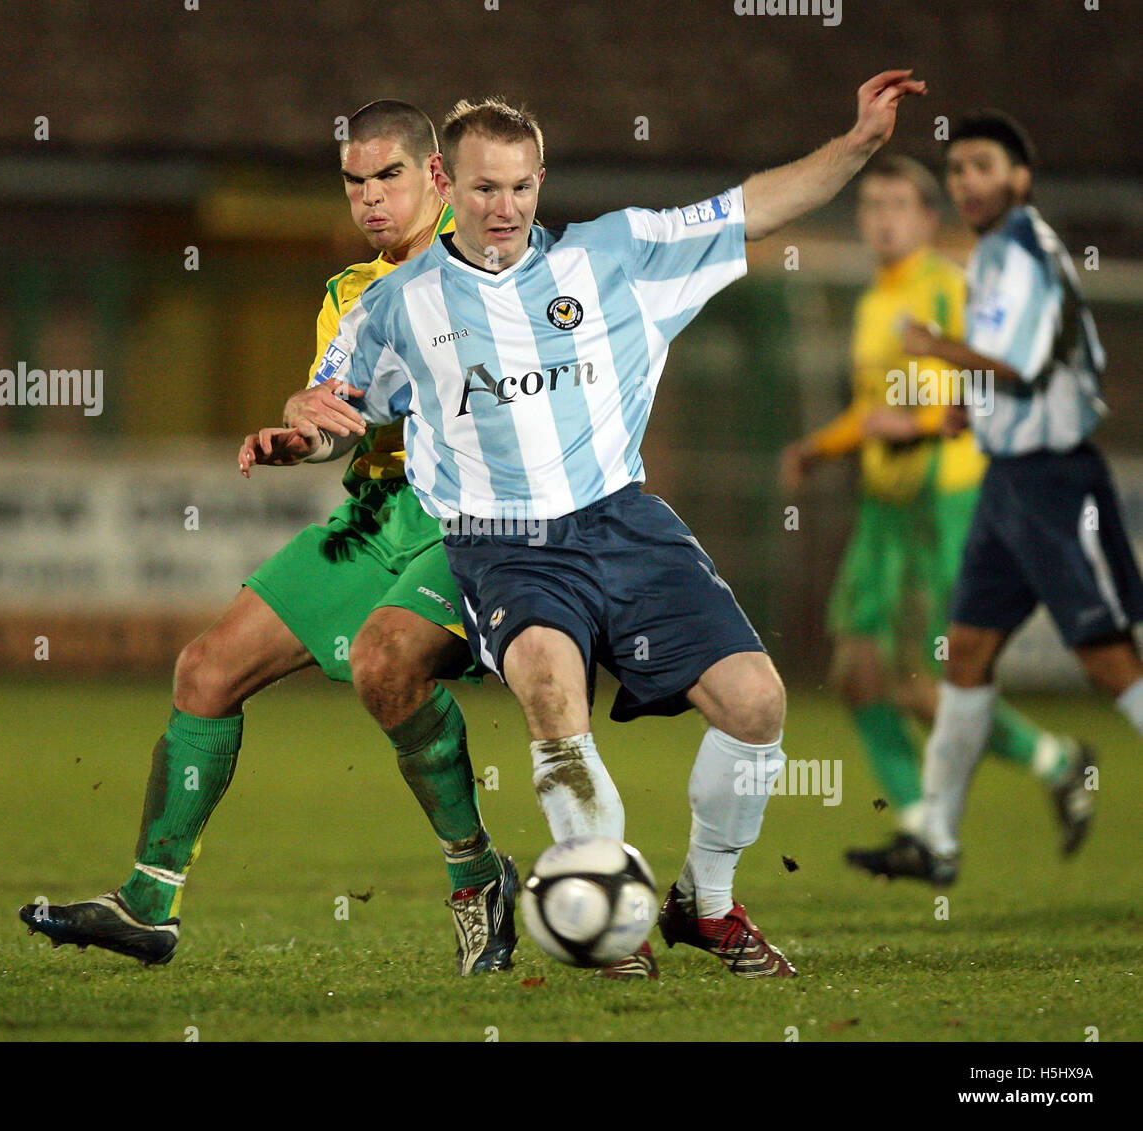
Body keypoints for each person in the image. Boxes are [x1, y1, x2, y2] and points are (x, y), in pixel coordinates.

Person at [248, 71, 928, 979]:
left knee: (759, 703)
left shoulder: (617, 255)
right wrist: (294, 433)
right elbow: (330, 418)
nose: (506, 207)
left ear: (541, 182)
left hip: (622, 521)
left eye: (523, 187)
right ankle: (609, 927)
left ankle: (703, 904)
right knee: (551, 692)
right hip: (501, 545)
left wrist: (857, 146)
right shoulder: (397, 306)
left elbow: (752, 209)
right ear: (449, 186)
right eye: (485, 188)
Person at [20, 101, 518, 975]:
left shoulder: (498, 255)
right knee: (206, 670)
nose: (369, 199)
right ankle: (149, 902)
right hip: (373, 516)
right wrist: (303, 435)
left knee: (384, 663)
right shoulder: (349, 295)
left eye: (388, 176)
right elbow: (341, 419)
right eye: (354, 183)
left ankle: (478, 880)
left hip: (473, 517)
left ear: (436, 176)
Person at [848, 111, 1143, 884]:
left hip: (1052, 480)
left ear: (1021, 177)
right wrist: (963, 408)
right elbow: (1012, 374)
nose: (967, 181)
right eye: (957, 169)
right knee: (966, 655)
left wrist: (938, 348)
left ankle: (956, 823)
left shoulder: (1021, 252)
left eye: (983, 166)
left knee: (1109, 659)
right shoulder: (995, 254)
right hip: (1007, 478)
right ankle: (936, 840)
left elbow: (1018, 362)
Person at [780, 155, 1093, 874]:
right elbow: (873, 411)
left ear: (929, 219)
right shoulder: (873, 301)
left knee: (924, 685)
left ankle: (1054, 761)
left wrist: (917, 425)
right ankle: (925, 825)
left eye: (899, 205)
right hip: (882, 511)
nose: (883, 218)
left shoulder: (952, 293)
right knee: (857, 670)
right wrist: (819, 449)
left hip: (944, 506)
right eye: (872, 204)